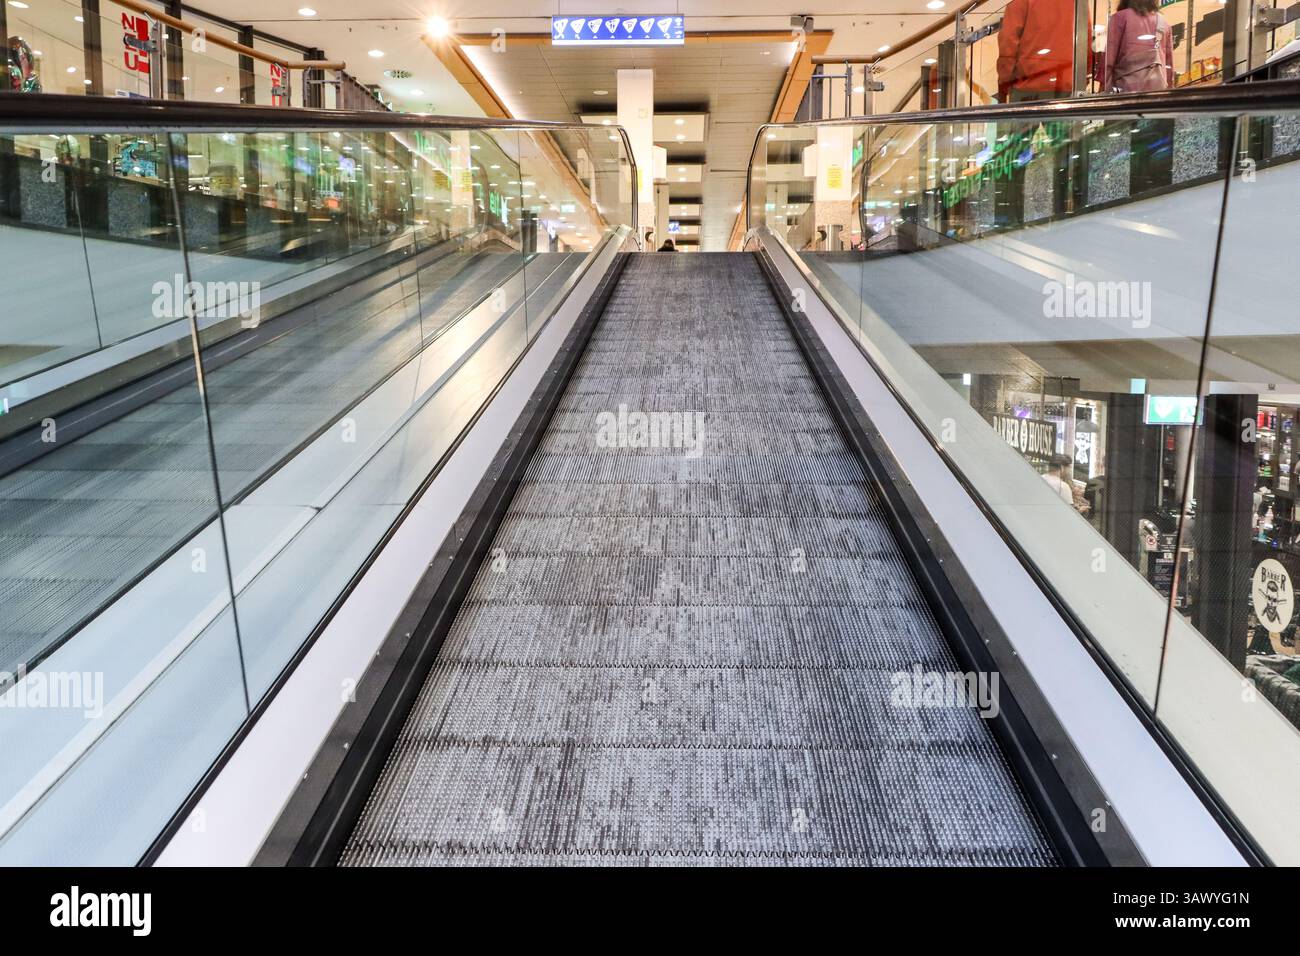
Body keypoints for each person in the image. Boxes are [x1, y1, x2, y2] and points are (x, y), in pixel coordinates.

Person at [996, 0, 1092, 102]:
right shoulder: (1077, 2)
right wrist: (1084, 76)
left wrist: (1005, 81)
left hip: (1028, 88)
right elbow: (1086, 39)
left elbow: (1008, 42)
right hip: (1069, 86)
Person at [1100, 0, 1174, 93]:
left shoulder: (1119, 18)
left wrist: (1103, 89)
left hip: (1125, 94)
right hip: (1156, 95)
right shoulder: (1164, 24)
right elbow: (1169, 67)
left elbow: (1108, 61)